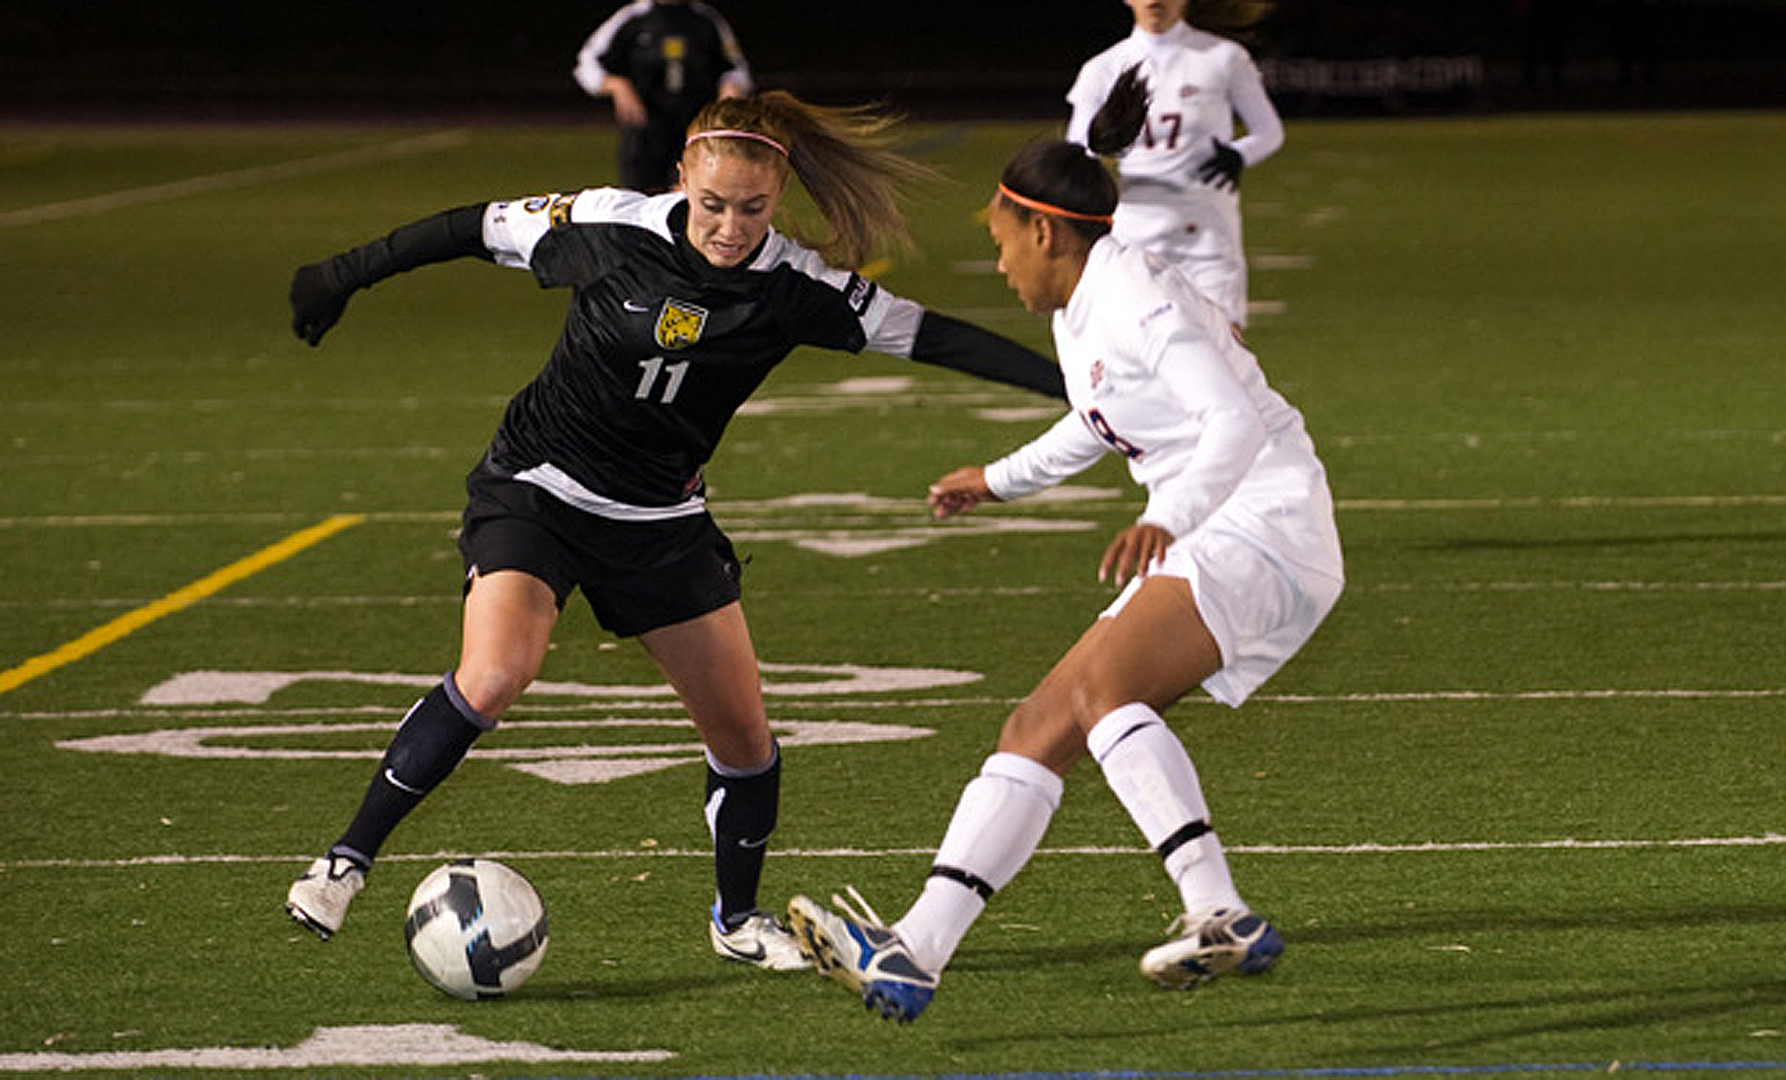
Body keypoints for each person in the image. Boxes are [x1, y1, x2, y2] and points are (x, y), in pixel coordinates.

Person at [282, 90, 1066, 973]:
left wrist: (1076, 385)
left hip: (660, 521)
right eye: (714, 204)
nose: (731, 226)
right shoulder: (606, 226)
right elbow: (470, 226)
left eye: (754, 208)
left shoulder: (797, 288)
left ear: (779, 197)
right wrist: (343, 272)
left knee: (745, 742)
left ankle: (737, 920)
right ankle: (344, 861)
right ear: (681, 177)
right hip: (538, 490)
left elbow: (938, 339)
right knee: (498, 672)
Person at [786, 66, 1343, 1022]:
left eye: (1003, 243)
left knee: (1099, 695)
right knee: (1037, 727)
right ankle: (916, 951)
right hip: (1233, 527)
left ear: (1045, 231)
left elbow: (1233, 425)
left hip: (1262, 521)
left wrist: (1170, 516)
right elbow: (1099, 420)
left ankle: (1217, 908)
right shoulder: (1089, 305)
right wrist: (993, 479)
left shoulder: (1137, 299)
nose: (999, 265)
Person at [1066, 0, 1283, 328]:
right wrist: (1100, 155)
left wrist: (1239, 155)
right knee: (1139, 357)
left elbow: (1269, 132)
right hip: (1133, 234)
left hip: (1207, 234)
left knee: (1226, 352)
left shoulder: (1223, 57)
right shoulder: (1103, 69)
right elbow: (1078, 152)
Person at [574, 0, 753, 192]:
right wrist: (617, 86)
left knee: (690, 203)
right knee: (641, 206)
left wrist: (731, 88)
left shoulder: (706, 20)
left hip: (695, 133)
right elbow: (587, 63)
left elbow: (736, 68)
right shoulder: (633, 18)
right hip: (645, 133)